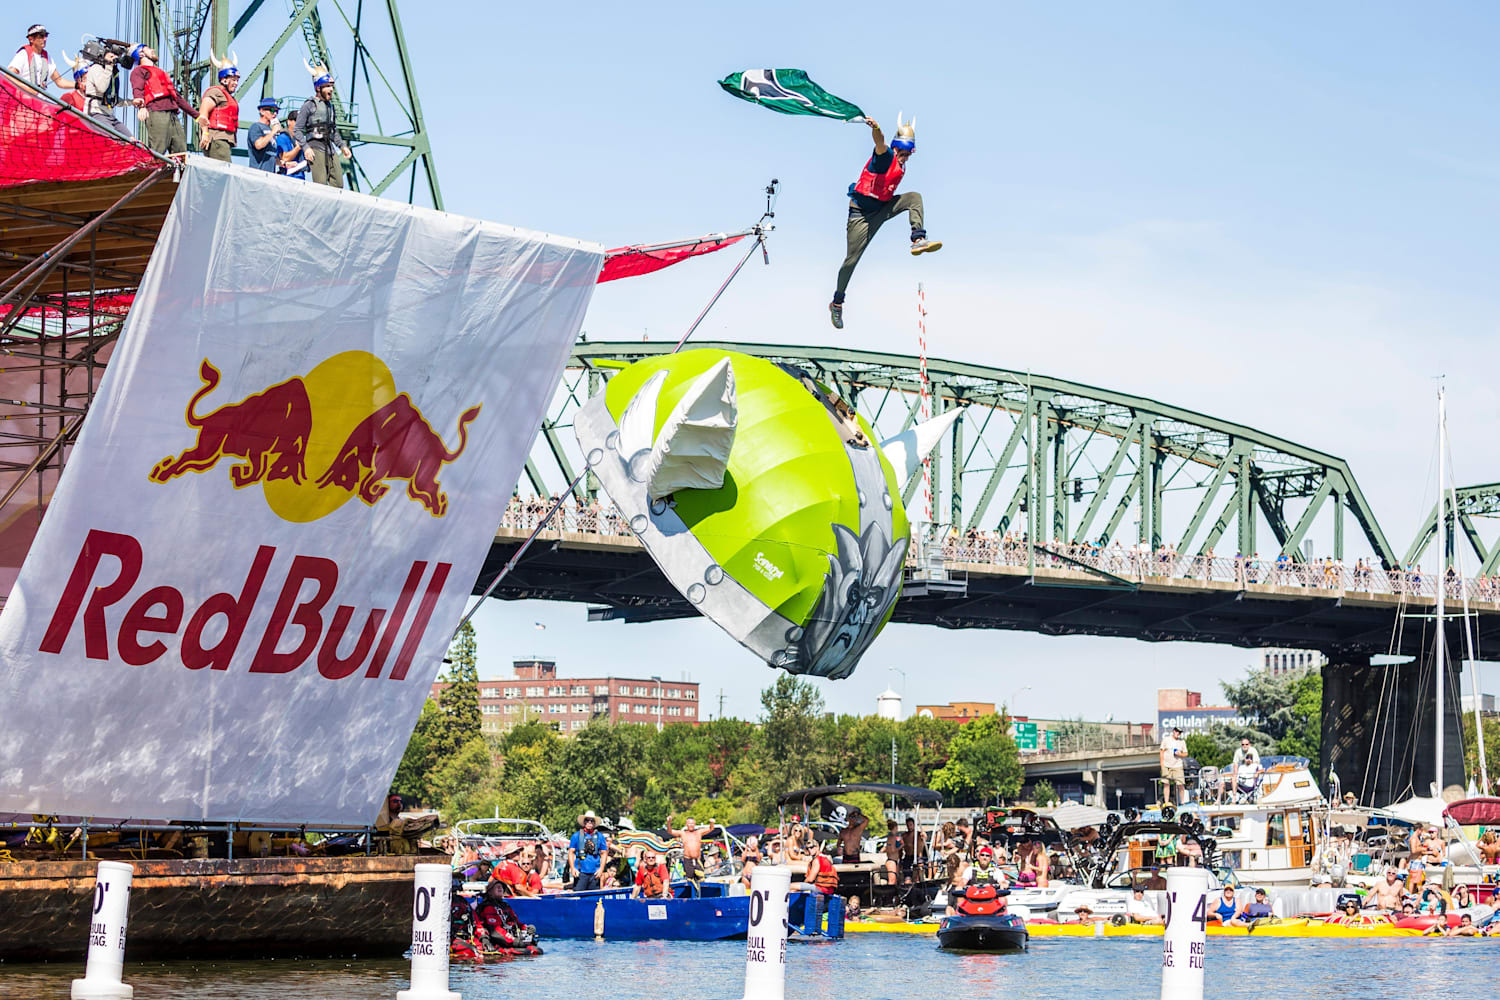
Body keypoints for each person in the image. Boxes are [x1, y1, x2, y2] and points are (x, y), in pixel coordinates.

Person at [828, 114, 940, 329]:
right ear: (897, 148)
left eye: (909, 155)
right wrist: (876, 127)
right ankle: (837, 303)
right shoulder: (886, 156)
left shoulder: (901, 164)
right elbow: (879, 142)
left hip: (882, 208)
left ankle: (918, 239)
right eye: (903, 154)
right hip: (861, 216)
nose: (905, 158)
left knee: (914, 197)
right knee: (851, 261)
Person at [128, 44, 194, 154]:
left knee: (181, 150)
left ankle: (178, 171)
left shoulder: (161, 73)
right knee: (158, 149)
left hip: (172, 115)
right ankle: (152, 170)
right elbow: (138, 89)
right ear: (141, 54)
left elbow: (177, 97)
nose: (153, 49)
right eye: (148, 48)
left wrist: (197, 116)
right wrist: (141, 106)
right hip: (157, 111)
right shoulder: (139, 71)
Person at [295, 66, 351, 188]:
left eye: (331, 86)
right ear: (318, 88)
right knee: (320, 184)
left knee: (338, 184)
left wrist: (342, 146)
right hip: (315, 147)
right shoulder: (309, 105)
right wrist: (306, 148)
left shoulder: (330, 107)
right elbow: (297, 130)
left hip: (329, 148)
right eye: (327, 86)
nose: (331, 89)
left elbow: (333, 130)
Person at [8, 25, 74, 94]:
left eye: (46, 36)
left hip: (40, 102)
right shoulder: (23, 54)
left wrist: (78, 85)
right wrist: (29, 89)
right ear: (31, 39)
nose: (45, 39)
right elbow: (9, 76)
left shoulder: (47, 57)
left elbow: (59, 81)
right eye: (41, 36)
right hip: (23, 101)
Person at [197, 56, 239, 162]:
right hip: (217, 138)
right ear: (224, 80)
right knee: (225, 172)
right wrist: (205, 133)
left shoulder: (228, 96)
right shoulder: (216, 92)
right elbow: (203, 112)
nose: (236, 83)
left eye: (237, 80)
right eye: (233, 80)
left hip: (224, 139)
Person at [80, 48, 126, 134]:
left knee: (132, 141)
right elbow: (101, 88)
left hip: (110, 115)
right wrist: (109, 66)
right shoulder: (96, 68)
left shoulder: (112, 72)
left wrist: (131, 102)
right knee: (114, 139)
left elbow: (113, 99)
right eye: (111, 56)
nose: (114, 58)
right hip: (96, 112)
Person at [665, 814, 717, 881]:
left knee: (701, 879)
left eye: (692, 823)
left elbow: (711, 828)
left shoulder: (699, 832)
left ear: (695, 824)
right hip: (688, 860)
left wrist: (711, 823)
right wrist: (669, 822)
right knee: (689, 880)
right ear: (686, 824)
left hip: (698, 859)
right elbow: (670, 831)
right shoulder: (683, 833)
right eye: (689, 823)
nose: (691, 825)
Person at [568, 811, 609, 891]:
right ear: (584, 822)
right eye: (587, 820)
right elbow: (571, 852)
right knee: (578, 896)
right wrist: (572, 868)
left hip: (595, 873)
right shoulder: (576, 836)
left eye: (592, 820)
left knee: (594, 898)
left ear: (594, 823)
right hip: (580, 872)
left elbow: (604, 853)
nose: (589, 822)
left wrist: (601, 869)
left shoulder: (600, 836)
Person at [246, 98, 282, 172]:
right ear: (262, 111)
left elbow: (271, 155)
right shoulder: (256, 127)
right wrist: (272, 132)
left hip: (270, 174)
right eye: (272, 110)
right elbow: (258, 145)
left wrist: (283, 163)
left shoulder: (270, 130)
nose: (275, 113)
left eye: (276, 111)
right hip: (258, 173)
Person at [1159, 726, 1189, 805]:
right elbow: (1162, 751)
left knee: (1180, 784)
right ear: (1173, 731)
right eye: (1176, 731)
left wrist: (1180, 754)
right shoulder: (1166, 739)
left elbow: (1186, 753)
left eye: (1179, 732)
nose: (1177, 733)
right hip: (1166, 765)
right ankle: (1166, 802)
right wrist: (1162, 764)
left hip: (1177, 765)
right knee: (1166, 783)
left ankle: (1182, 801)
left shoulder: (1182, 742)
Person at [275, 110, 307, 179]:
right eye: (296, 121)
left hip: (301, 177)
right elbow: (284, 158)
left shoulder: (300, 139)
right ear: (289, 121)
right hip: (288, 178)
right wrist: (298, 147)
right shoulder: (282, 138)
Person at [882, 819, 902, 885]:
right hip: (892, 860)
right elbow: (892, 850)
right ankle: (889, 894)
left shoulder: (891, 837)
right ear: (895, 827)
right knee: (892, 881)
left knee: (896, 880)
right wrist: (901, 846)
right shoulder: (892, 837)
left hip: (895, 860)